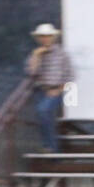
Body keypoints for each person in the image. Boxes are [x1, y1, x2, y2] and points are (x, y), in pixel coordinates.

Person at [24, 22, 74, 153]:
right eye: (42, 36)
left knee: (43, 111)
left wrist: (58, 90)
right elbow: (31, 72)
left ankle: (51, 147)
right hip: (41, 90)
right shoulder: (36, 54)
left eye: (48, 36)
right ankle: (49, 146)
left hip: (58, 90)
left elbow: (70, 76)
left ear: (53, 37)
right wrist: (36, 56)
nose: (45, 38)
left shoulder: (62, 54)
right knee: (44, 116)